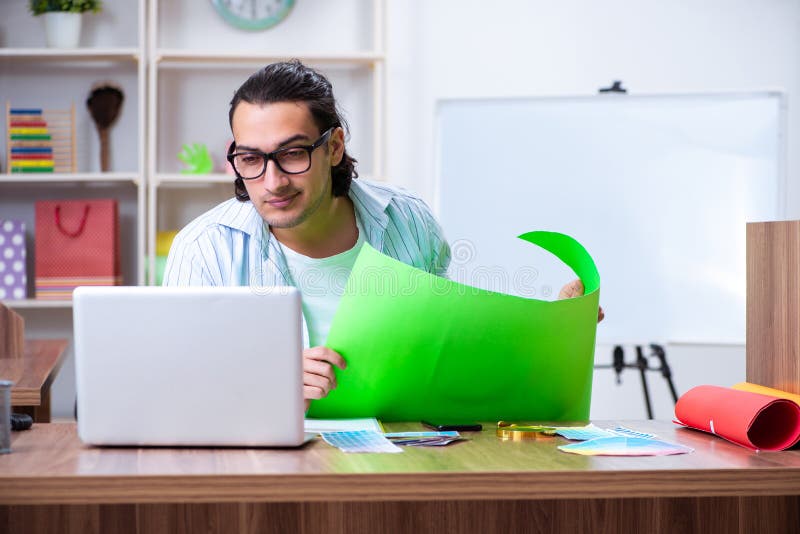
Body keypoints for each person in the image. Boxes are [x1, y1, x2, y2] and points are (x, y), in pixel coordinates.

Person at [164, 60, 601, 410]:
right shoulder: (204, 249)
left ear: (334, 147)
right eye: (251, 159)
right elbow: (174, 388)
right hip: (266, 469)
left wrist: (548, 332)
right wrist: (265, 382)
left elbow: (445, 354)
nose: (272, 181)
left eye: (293, 154)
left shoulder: (407, 219)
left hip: (401, 460)